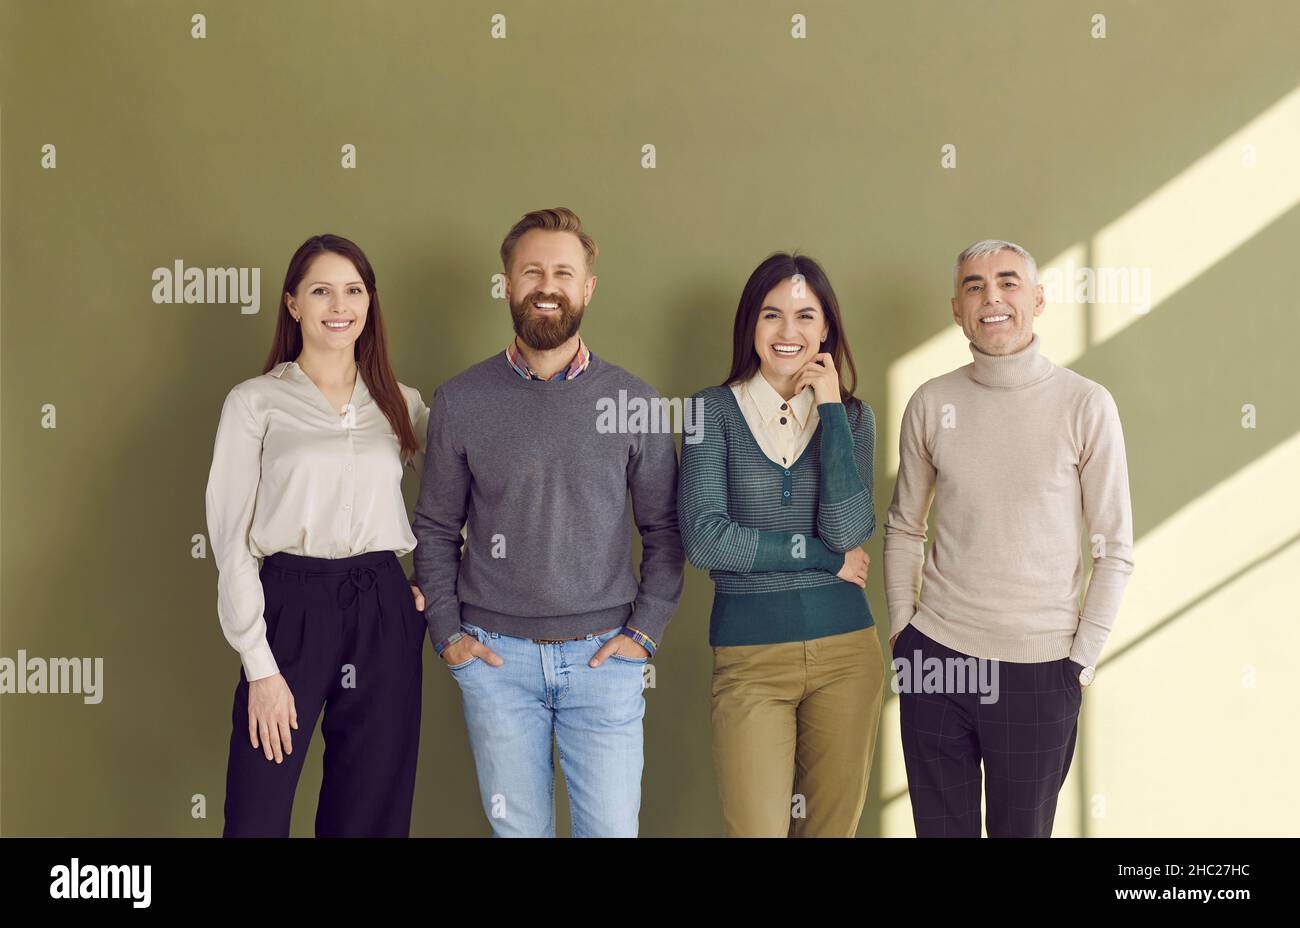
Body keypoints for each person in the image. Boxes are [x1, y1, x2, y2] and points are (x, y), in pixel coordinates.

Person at [412, 207, 684, 837]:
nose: (547, 284)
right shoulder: (461, 399)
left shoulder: (633, 402)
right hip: (495, 664)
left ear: (587, 287)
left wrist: (643, 635)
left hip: (606, 663)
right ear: (507, 283)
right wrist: (450, 637)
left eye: (564, 271)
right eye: (532, 270)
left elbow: (666, 533)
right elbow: (434, 529)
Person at [884, 238, 1135, 838]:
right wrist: (902, 633)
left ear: (1038, 299)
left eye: (1007, 282)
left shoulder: (1085, 405)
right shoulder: (932, 402)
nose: (991, 296)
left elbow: (1114, 548)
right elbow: (903, 526)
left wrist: (1080, 663)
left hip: (1041, 666)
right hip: (936, 661)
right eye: (975, 286)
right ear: (957, 308)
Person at [206, 234, 430, 837]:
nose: (340, 304)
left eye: (354, 290)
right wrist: (260, 666)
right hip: (289, 607)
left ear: (369, 303)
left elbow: (464, 492)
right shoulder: (255, 402)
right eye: (321, 290)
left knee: (370, 811)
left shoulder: (401, 404)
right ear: (293, 304)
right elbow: (229, 538)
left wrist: (435, 581)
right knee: (257, 810)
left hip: (382, 603)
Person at [678, 252, 883, 837]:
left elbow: (848, 530)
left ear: (826, 330)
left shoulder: (854, 418)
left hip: (848, 653)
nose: (788, 332)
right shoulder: (709, 413)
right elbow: (707, 540)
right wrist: (823, 558)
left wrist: (833, 412)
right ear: (751, 326)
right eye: (771, 315)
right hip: (750, 660)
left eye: (804, 316)